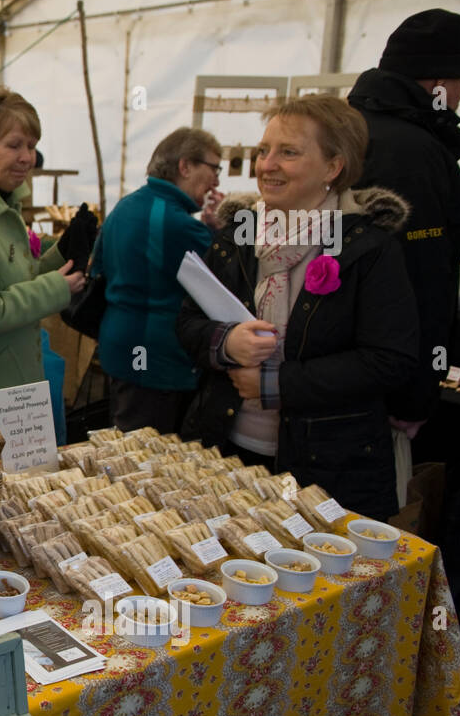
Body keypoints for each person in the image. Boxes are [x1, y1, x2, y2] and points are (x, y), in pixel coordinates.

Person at [177, 94, 420, 520]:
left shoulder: (369, 248)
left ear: (333, 166)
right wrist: (226, 341)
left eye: (288, 152)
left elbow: (389, 361)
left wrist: (278, 383)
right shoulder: (238, 235)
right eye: (264, 151)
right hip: (226, 454)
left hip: (327, 471)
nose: (267, 165)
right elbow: (187, 323)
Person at [347, 9, 460, 447]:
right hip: (379, 387)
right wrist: (416, 396)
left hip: (334, 371)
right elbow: (422, 278)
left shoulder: (353, 129)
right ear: (438, 84)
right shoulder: (413, 153)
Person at [0, 87, 84, 416]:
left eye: (32, 146)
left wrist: (62, 254)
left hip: (18, 388)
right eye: (14, 145)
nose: (28, 157)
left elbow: (17, 279)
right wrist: (56, 287)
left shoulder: (5, 199)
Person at [93, 127, 224, 433]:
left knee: (128, 445)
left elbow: (97, 268)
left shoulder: (126, 206)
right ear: (185, 166)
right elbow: (226, 277)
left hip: (121, 347)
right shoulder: (176, 223)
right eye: (214, 168)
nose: (217, 181)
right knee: (149, 459)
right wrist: (218, 229)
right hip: (156, 360)